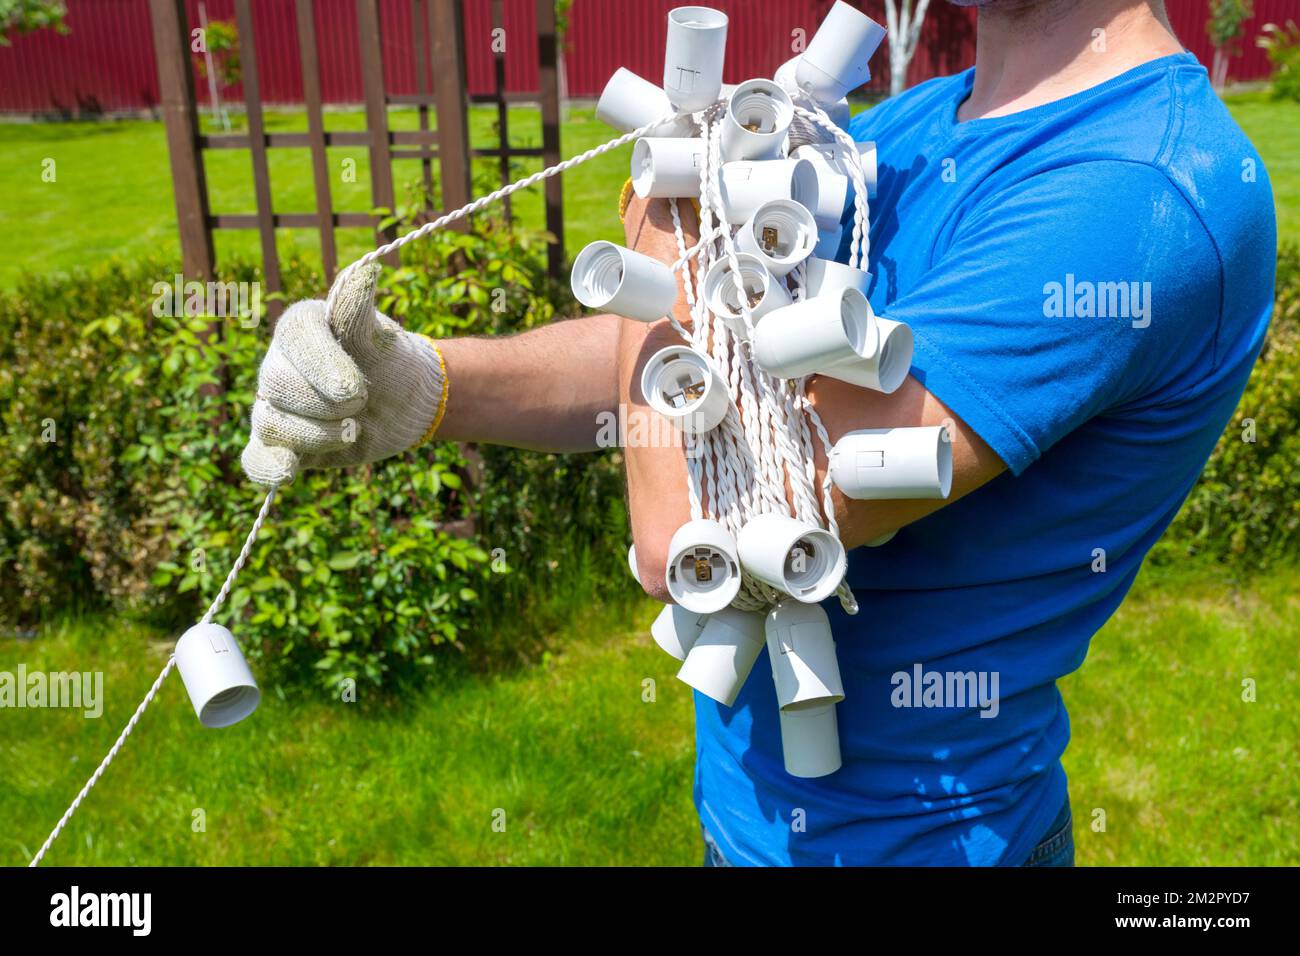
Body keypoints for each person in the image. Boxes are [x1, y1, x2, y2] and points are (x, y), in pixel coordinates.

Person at [240, 0, 1276, 866]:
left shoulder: (1136, 192)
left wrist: (667, 197)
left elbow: (708, 527)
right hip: (752, 820)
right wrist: (427, 382)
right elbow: (697, 354)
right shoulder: (918, 126)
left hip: (922, 842)